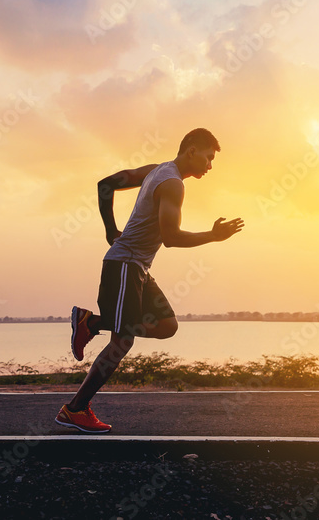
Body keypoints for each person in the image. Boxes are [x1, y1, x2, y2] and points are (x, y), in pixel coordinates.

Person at [55, 128, 244, 433]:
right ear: (191, 150)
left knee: (167, 325)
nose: (211, 166)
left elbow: (106, 185)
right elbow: (170, 238)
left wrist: (109, 230)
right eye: (209, 158)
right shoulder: (172, 183)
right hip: (125, 265)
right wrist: (213, 236)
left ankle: (92, 324)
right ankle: (75, 407)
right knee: (122, 342)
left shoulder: (155, 171)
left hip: (136, 267)